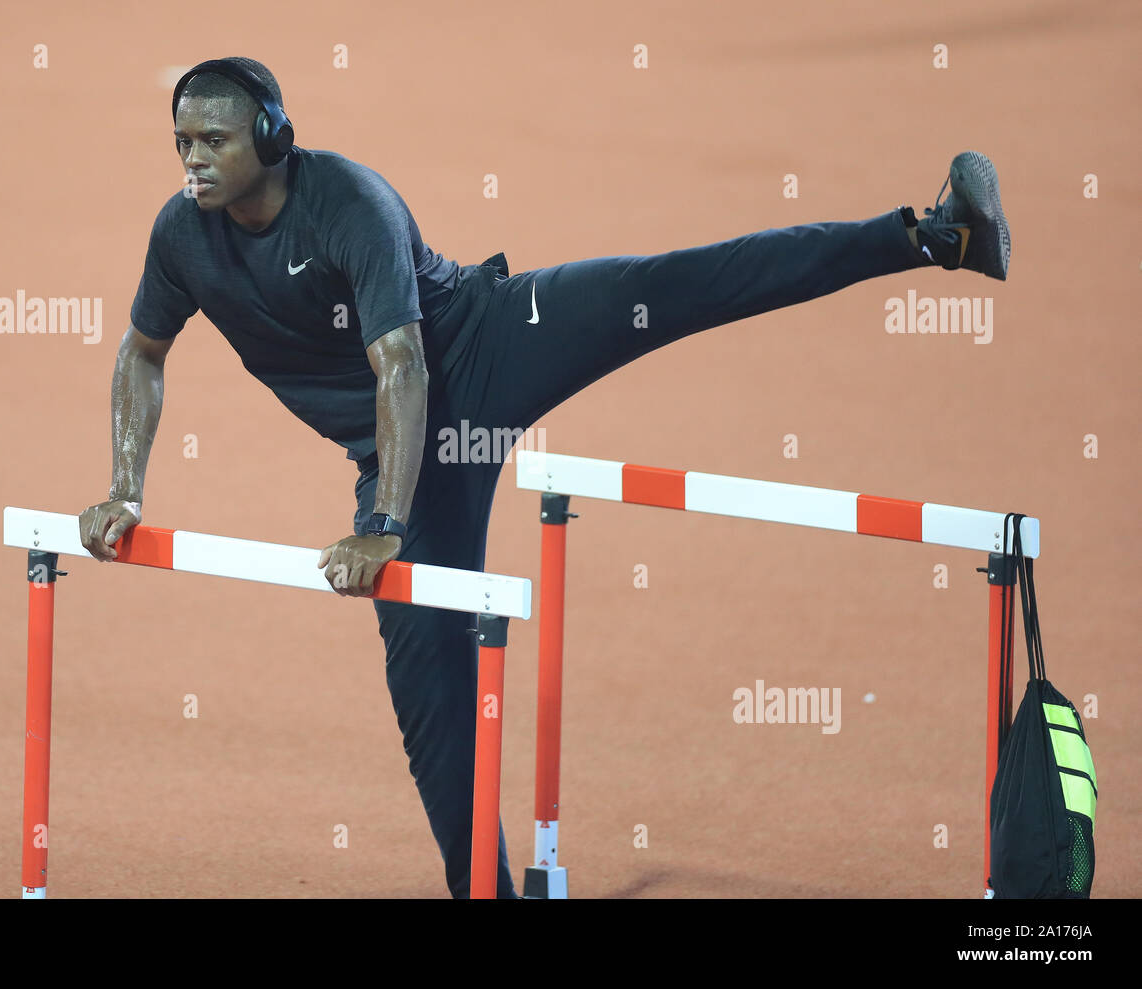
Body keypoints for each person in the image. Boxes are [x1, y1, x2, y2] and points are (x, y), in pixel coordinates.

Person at [78, 56, 1011, 899]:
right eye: (182, 141)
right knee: (429, 687)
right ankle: (484, 891)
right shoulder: (181, 234)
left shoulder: (350, 203)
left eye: (214, 140)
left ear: (272, 137)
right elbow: (142, 352)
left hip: (489, 342)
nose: (192, 159)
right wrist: (126, 485)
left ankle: (936, 238)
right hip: (409, 456)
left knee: (669, 287)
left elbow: (402, 362)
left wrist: (384, 523)